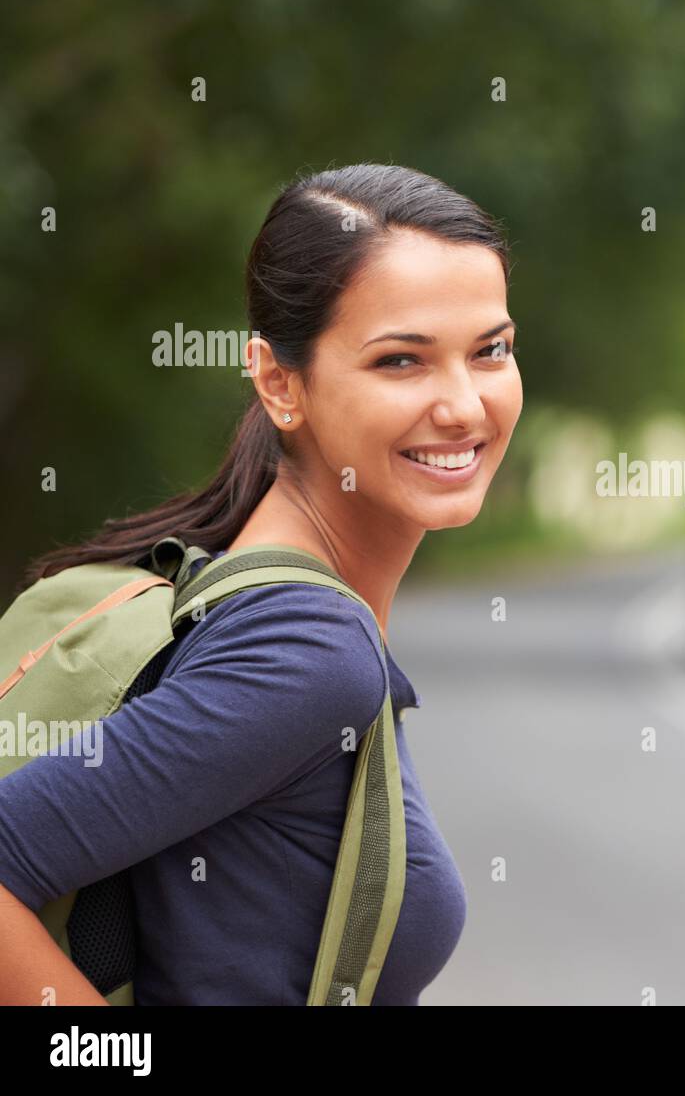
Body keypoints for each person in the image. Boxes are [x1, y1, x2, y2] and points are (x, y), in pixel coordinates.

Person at [0, 164, 523, 1004]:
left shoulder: (241, 592)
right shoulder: (307, 649)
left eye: (490, 350)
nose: (464, 405)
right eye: (401, 361)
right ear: (280, 382)